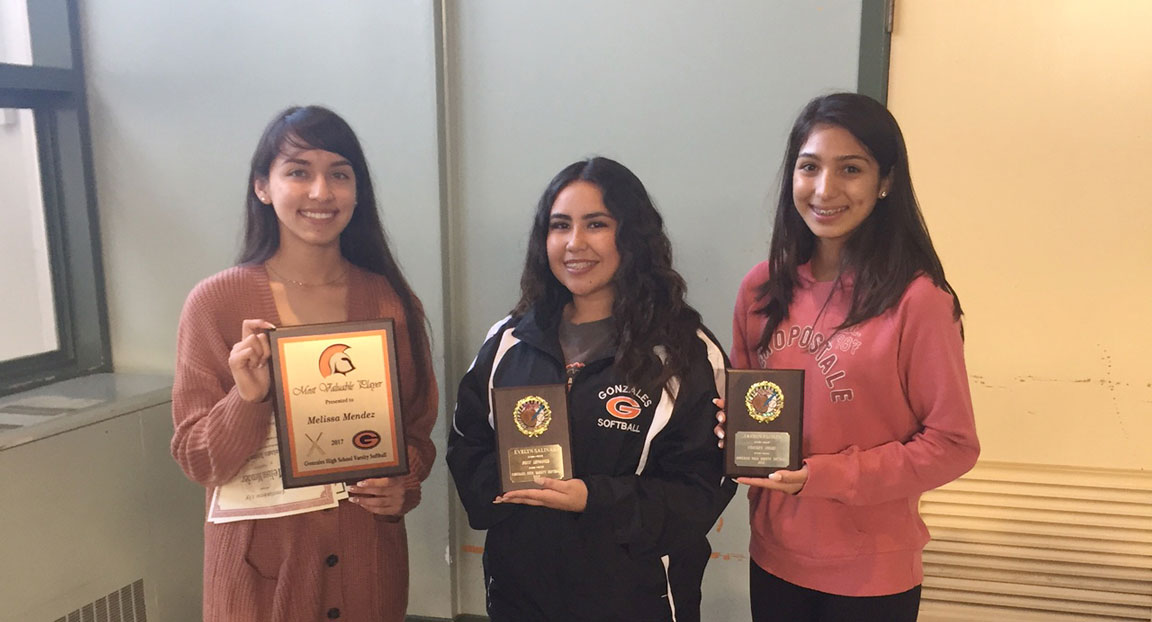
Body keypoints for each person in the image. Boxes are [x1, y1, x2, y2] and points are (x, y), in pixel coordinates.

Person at [171, 106, 437, 621]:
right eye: (298, 171)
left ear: (357, 192)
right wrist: (246, 398)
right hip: (260, 579)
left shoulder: (390, 302)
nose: (321, 192)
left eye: (339, 173)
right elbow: (199, 461)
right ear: (263, 187)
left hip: (368, 567)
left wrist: (400, 484)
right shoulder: (215, 304)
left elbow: (417, 438)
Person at [720, 92, 980, 621]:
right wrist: (727, 426)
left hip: (871, 574)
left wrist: (824, 476)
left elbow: (953, 445)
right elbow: (749, 404)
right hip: (772, 555)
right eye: (809, 167)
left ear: (885, 182)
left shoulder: (918, 301)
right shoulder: (761, 289)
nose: (824, 189)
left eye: (851, 169)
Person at [447, 157, 734, 622]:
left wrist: (594, 499)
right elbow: (467, 445)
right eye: (560, 226)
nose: (575, 243)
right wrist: (503, 485)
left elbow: (702, 490)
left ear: (633, 236)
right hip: (521, 594)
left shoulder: (685, 352)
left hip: (636, 600)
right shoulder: (509, 339)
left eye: (596, 224)